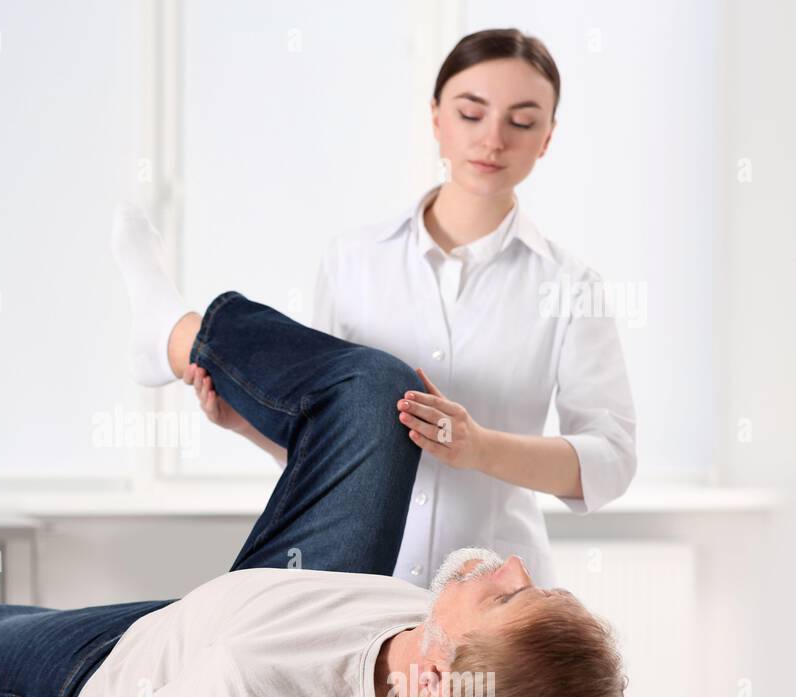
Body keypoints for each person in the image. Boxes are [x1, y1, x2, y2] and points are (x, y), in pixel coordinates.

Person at [0, 213, 630, 697]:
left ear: (431, 675)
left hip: (141, 660)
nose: (515, 564)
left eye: (509, 595)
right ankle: (175, 335)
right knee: (381, 395)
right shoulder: (441, 663)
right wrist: (261, 427)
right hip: (291, 599)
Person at [184, 28, 637, 589]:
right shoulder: (353, 260)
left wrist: (481, 448)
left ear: (546, 138)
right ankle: (167, 335)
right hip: (365, 585)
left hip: (492, 599)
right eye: (472, 114)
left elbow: (611, 460)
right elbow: (333, 443)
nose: (493, 139)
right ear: (436, 118)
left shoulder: (570, 286)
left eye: (521, 122)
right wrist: (248, 425)